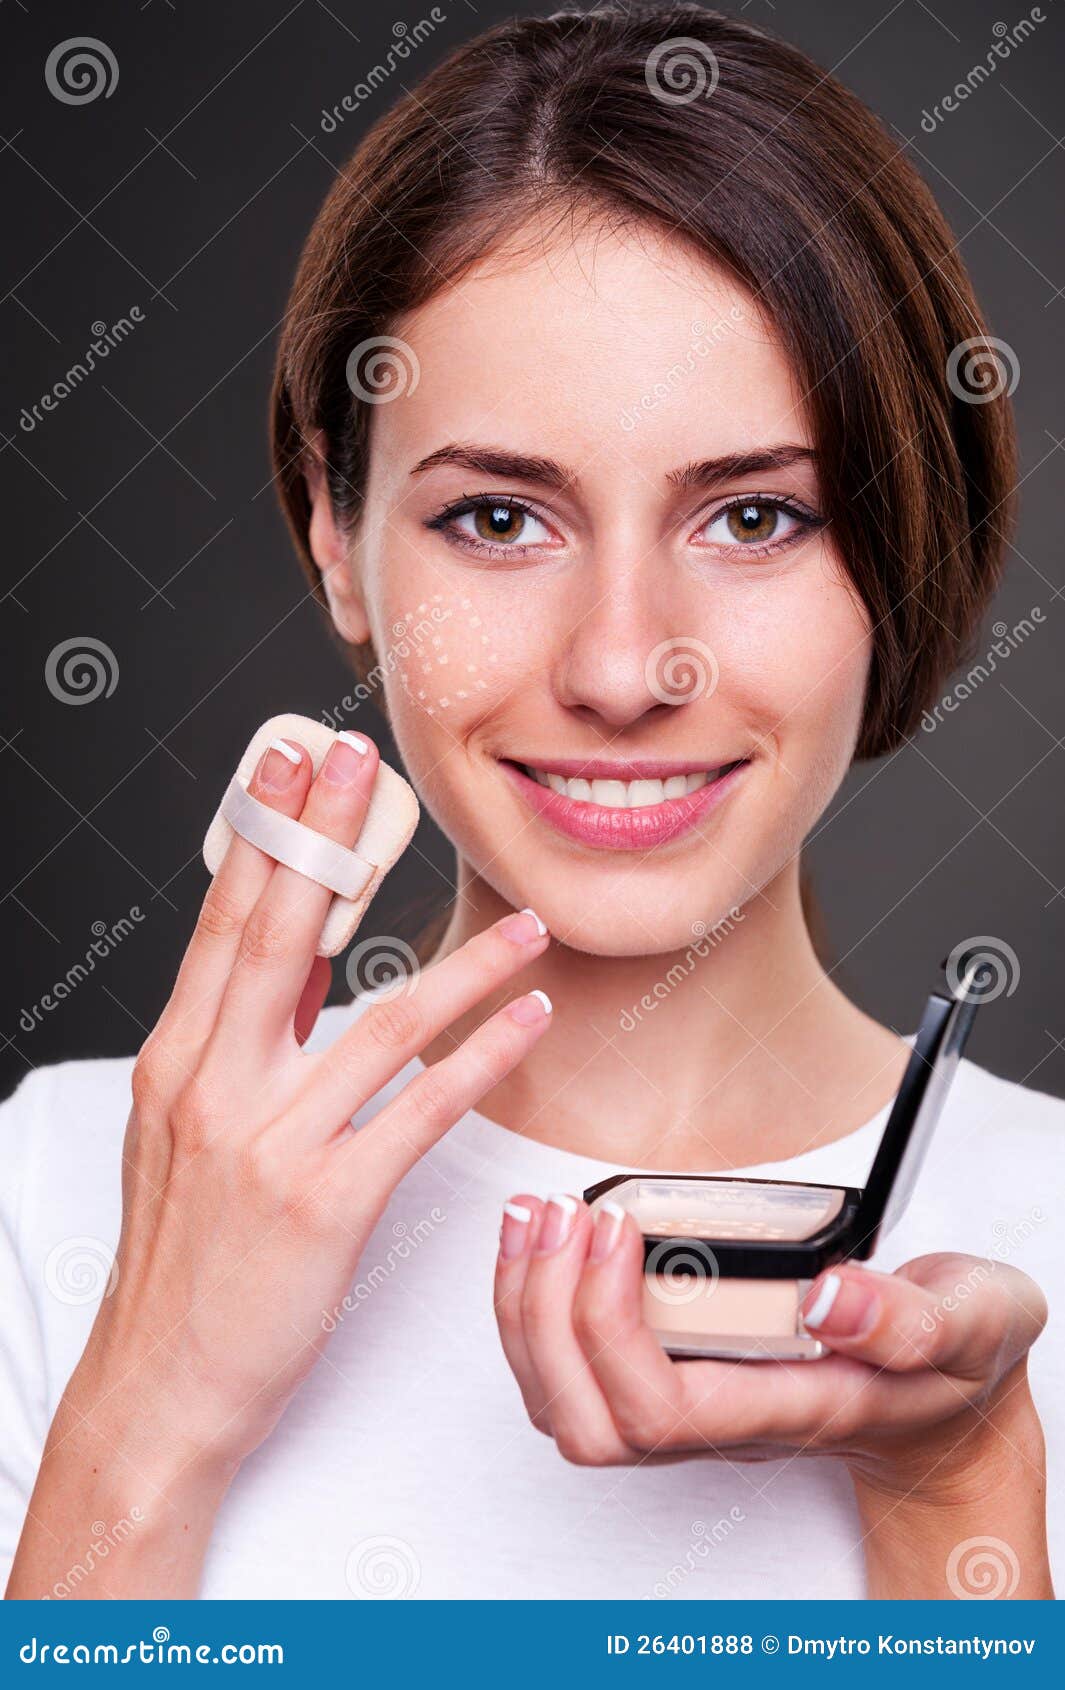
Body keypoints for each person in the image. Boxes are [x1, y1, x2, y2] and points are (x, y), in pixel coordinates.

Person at [3, 5, 1058, 1600]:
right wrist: (150, 1407)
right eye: (498, 517)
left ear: (901, 541)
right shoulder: (56, 1197)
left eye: (753, 516)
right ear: (333, 529)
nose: (622, 666)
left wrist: (951, 1481)